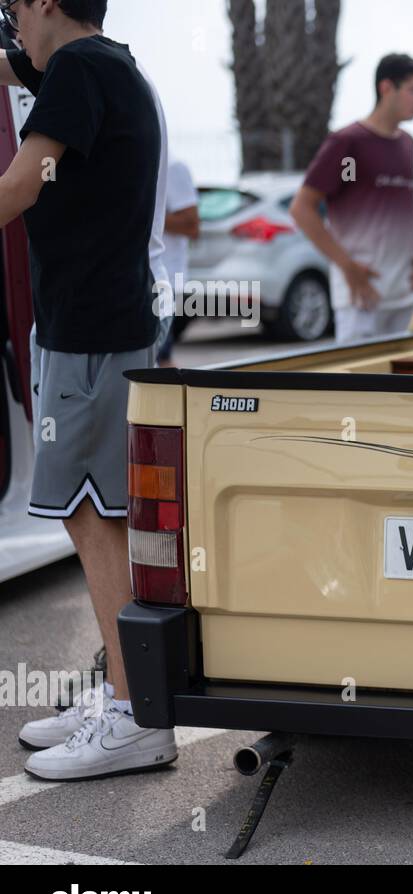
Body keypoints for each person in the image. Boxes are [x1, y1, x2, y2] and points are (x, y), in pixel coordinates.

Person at [0, 0, 179, 779]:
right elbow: (17, 66)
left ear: (44, 2)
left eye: (13, 7)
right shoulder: (111, 66)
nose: (13, 24)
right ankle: (121, 693)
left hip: (89, 338)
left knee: (90, 517)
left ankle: (137, 716)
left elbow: (19, 186)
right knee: (100, 516)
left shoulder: (78, 70)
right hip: (107, 328)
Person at [291, 53, 413, 343]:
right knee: (360, 388)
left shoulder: (408, 145)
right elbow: (302, 208)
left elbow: (407, 204)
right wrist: (347, 267)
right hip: (361, 298)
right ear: (386, 88)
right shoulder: (347, 142)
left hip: (405, 296)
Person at [156, 157, 198, 364]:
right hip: (134, 278)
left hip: (163, 280)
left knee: (159, 362)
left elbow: (192, 225)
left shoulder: (172, 166)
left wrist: (139, 212)